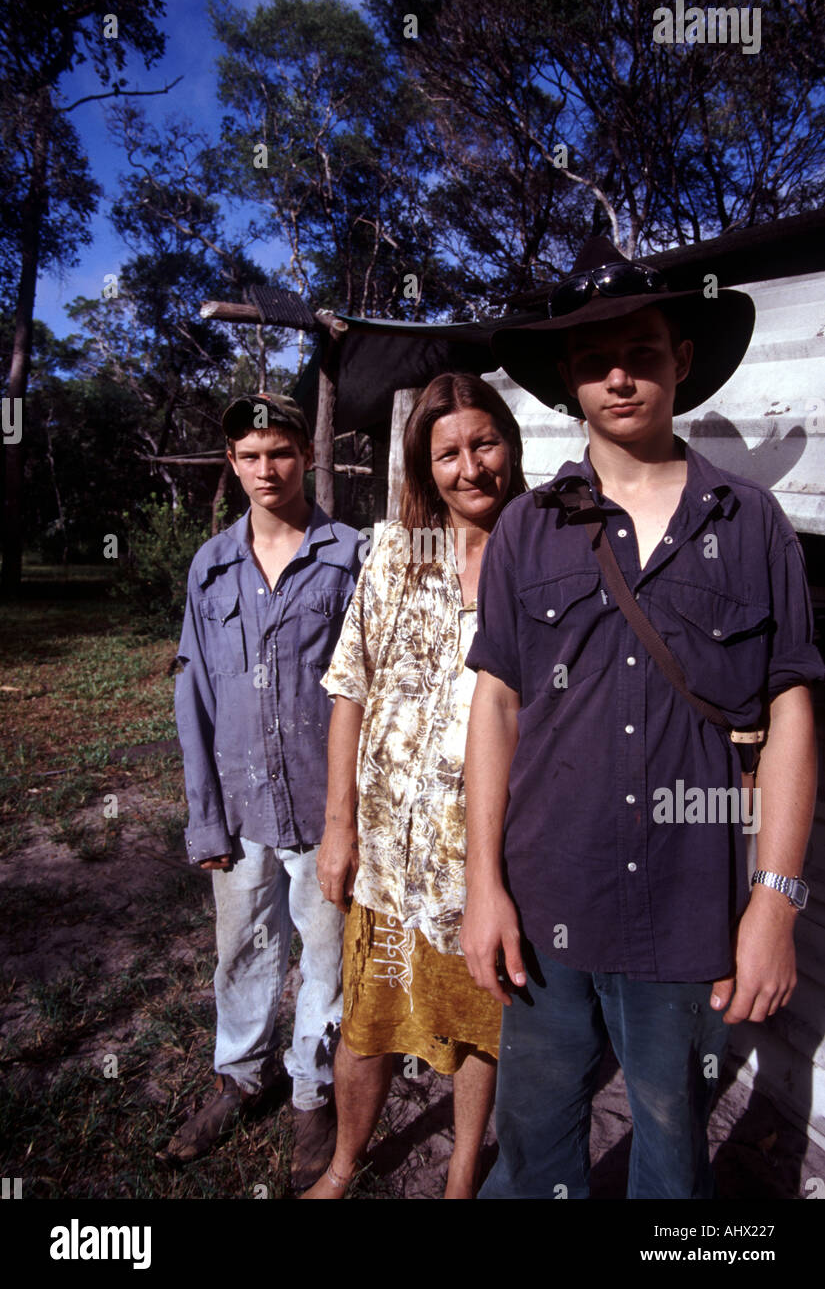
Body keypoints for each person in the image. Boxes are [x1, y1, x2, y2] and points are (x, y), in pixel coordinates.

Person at [461, 237, 823, 1199]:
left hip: (684, 905)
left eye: (642, 352)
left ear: (682, 360)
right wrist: (481, 883)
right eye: (592, 361)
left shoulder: (751, 526)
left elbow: (789, 711)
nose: (619, 375)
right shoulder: (526, 531)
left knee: (670, 1152)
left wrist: (776, 903)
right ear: (568, 383)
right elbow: (494, 705)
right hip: (542, 901)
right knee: (533, 1147)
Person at [302, 374, 527, 1199]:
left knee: (478, 1026)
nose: (469, 467)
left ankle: (461, 1174)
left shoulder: (537, 552)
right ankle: (341, 1164)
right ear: (422, 465)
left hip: (481, 860)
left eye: (484, 443)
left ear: (510, 444)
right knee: (367, 1022)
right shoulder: (398, 549)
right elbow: (349, 687)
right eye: (448, 453)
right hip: (388, 857)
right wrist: (338, 829)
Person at [163, 392, 363, 1189]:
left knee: (326, 956)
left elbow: (368, 690)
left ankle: (313, 1092)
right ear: (231, 464)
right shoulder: (209, 564)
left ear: (305, 457)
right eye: (248, 456)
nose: (264, 469)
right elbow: (194, 698)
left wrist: (356, 816)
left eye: (278, 452)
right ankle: (238, 1075)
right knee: (242, 950)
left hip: (324, 808)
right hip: (242, 809)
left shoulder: (350, 555)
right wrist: (203, 819)